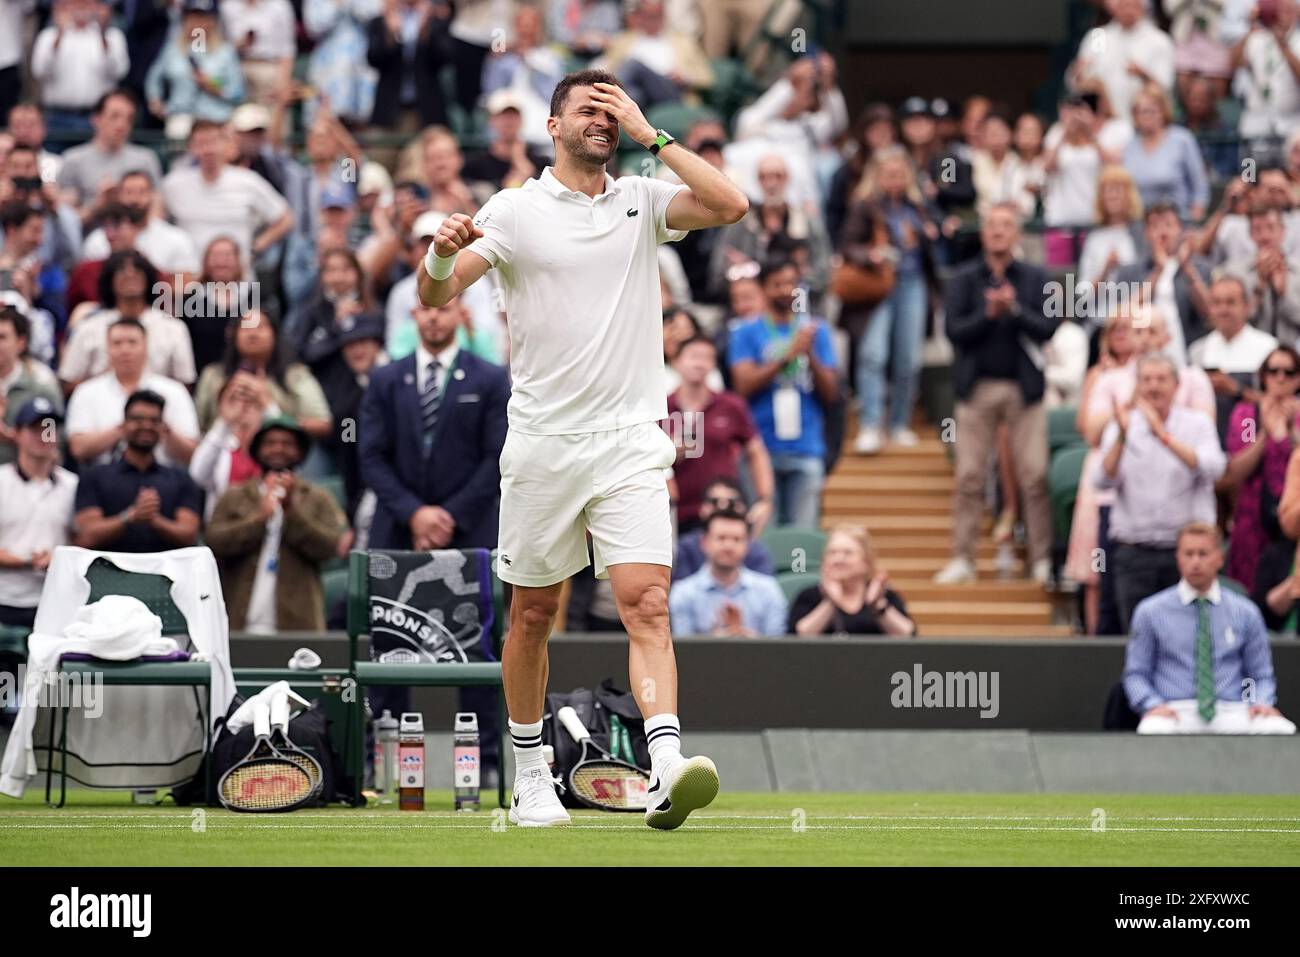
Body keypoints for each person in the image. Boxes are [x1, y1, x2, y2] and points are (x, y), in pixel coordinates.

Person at [416, 68, 748, 828]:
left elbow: (732, 204)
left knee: (648, 602)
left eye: (612, 108)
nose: (603, 120)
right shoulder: (515, 210)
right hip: (543, 444)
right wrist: (440, 253)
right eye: (588, 110)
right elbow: (437, 295)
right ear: (554, 128)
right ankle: (530, 771)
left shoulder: (642, 197)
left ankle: (664, 760)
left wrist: (650, 131)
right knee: (534, 613)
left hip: (631, 438)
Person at [934, 203, 1057, 587]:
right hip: (977, 388)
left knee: (1035, 475)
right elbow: (954, 331)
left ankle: (1040, 562)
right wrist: (988, 314)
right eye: (992, 226)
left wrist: (1014, 310)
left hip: (1025, 389)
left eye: (1006, 225)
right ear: (983, 233)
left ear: (1018, 233)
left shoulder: (1036, 277)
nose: (999, 232)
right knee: (969, 475)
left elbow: (1048, 327)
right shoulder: (964, 278)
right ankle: (962, 559)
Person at [359, 295, 508, 550]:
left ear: (461, 313)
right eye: (426, 308)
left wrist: (448, 518)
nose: (434, 317)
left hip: (470, 532)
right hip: (397, 532)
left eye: (443, 308)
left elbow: (497, 456)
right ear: (414, 315)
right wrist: (414, 514)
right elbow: (370, 455)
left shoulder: (490, 378)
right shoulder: (384, 379)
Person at [1094, 353, 1228, 630]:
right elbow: (1101, 480)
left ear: (1176, 385)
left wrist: (1163, 436)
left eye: (1161, 379)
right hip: (1133, 553)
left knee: (1189, 638)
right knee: (1138, 639)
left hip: (1186, 555)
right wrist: (1121, 436)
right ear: (1137, 387)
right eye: (1147, 380)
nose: (1154, 387)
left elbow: (1215, 468)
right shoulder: (1122, 426)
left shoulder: (1196, 424)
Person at [1125, 522, 1296, 735]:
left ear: (1219, 558)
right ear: (1178, 558)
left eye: (1203, 554)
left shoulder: (1245, 612)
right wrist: (1152, 704)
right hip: (1174, 709)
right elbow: (1136, 674)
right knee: (1153, 729)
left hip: (1234, 708)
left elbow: (1260, 674)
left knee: (1280, 729)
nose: (1195, 562)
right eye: (1189, 554)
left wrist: (1259, 702)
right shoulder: (1150, 612)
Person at [207, 417, 348, 633]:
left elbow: (330, 547)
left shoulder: (318, 497)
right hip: (238, 617)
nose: (278, 449)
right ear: (257, 450)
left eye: (287, 444)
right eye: (270, 443)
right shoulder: (235, 495)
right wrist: (259, 519)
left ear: (300, 452)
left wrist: (291, 510)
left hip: (299, 622)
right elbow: (214, 541)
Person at [729, 258, 838, 527]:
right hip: (761, 449)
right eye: (777, 284)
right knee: (766, 538)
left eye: (791, 283)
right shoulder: (745, 331)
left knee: (802, 534)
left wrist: (809, 352)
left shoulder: (816, 330)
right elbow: (743, 386)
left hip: (807, 447)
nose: (785, 290)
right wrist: (787, 356)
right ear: (763, 289)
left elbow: (832, 392)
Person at [844, 146, 933, 454]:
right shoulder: (864, 205)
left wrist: (928, 235)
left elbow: (933, 249)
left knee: (908, 358)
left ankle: (898, 423)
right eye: (888, 174)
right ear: (877, 176)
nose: (894, 179)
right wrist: (872, 254)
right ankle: (870, 424)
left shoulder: (918, 206)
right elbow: (847, 246)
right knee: (873, 354)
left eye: (899, 173)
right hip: (877, 286)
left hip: (913, 284)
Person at [666, 334, 774, 533]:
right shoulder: (662, 407)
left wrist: (764, 499)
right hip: (673, 513)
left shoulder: (731, 405)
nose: (699, 363)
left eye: (707, 357)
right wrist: (667, 453)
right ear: (677, 362)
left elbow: (756, 451)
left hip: (723, 512)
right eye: (693, 356)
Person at [72, 388, 203, 553]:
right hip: (108, 573)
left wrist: (155, 520)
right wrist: (130, 517)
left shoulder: (181, 479)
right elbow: (87, 534)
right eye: (138, 419)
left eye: (154, 420)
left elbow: (189, 535)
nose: (146, 426)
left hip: (166, 574)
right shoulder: (95, 477)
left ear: (163, 428)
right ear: (123, 425)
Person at [65, 318, 199, 467]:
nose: (125, 350)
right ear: (108, 348)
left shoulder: (174, 391)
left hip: (164, 478)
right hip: (104, 479)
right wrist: (127, 428)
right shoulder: (86, 392)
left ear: (146, 346)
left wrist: (160, 429)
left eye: (132, 342)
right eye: (117, 343)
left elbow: (193, 453)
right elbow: (77, 448)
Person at [1222, 345, 1300, 601]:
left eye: (1289, 372)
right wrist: (1265, 434)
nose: (1280, 378)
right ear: (1263, 375)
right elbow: (1236, 469)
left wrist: (1289, 433)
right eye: (1273, 370)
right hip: (1253, 520)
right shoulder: (1248, 416)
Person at [58, 250, 197, 392]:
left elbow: (185, 384)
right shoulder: (88, 327)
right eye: (122, 271)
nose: (130, 275)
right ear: (110, 279)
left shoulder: (173, 328)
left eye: (137, 270)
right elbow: (68, 382)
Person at [161, 120, 294, 267]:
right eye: (201, 143)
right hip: (192, 280)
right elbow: (154, 221)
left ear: (225, 144)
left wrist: (255, 249)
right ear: (191, 148)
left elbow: (285, 219)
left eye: (213, 142)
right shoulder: (173, 184)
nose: (208, 149)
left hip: (238, 282)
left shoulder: (248, 181)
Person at [193, 310, 332, 443]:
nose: (253, 334)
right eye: (246, 328)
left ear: (275, 334)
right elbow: (197, 427)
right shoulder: (213, 375)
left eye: (260, 327)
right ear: (233, 335)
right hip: (221, 452)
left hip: (281, 453)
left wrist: (268, 405)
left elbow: (322, 423)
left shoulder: (295, 374)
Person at [0, 397, 77, 628]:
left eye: (50, 428)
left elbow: (82, 540)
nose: (44, 435)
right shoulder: (1, 481)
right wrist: (25, 560)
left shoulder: (73, 485)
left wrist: (58, 559)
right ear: (17, 433)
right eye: (35, 428)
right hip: (6, 600)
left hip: (57, 600)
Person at [668, 509, 787, 638]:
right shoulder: (683, 593)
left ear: (748, 545)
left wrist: (748, 639)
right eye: (721, 538)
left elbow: (778, 647)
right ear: (704, 542)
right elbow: (682, 649)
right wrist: (717, 641)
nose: (728, 546)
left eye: (737, 539)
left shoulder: (769, 590)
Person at [1189, 274, 1279, 438]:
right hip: (1212, 433)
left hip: (1251, 431)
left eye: (1230, 302)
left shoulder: (1268, 347)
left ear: (1246, 306)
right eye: (1216, 303)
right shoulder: (1198, 350)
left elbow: (1278, 401)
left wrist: (1237, 390)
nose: (1223, 310)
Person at [56, 90, 163, 225]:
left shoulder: (146, 159)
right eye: (114, 117)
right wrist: (98, 205)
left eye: (128, 119)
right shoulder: (73, 160)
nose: (121, 125)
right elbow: (66, 221)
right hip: (91, 238)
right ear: (96, 119)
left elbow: (157, 207)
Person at [789, 525, 915, 637]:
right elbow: (799, 636)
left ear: (866, 562)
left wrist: (877, 605)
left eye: (847, 553)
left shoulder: (884, 595)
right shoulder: (809, 596)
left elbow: (907, 635)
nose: (838, 559)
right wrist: (830, 602)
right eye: (832, 553)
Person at [30, 0, 130, 139]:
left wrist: (103, 34)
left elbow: (120, 72)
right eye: (75, 3)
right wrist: (59, 35)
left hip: (96, 117)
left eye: (86, 4)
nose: (80, 9)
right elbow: (40, 72)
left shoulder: (113, 36)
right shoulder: (48, 36)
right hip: (57, 115)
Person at [79, 171, 201, 283]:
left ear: (153, 195)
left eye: (141, 192)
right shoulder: (99, 239)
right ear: (118, 196)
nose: (134, 199)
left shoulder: (176, 238)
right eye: (128, 192)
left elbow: (185, 285)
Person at [1068, 0, 1175, 123]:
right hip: (1103, 123)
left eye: (1132, 5)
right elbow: (1080, 78)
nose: (1128, 10)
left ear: (1142, 7)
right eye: (1123, 4)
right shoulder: (1100, 36)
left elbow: (1165, 87)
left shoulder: (1158, 40)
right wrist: (1078, 72)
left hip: (1143, 122)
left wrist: (1143, 75)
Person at [144, 0, 245, 125]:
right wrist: (155, 100)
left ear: (212, 21)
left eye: (202, 17)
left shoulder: (225, 52)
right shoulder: (173, 49)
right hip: (180, 116)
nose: (196, 23)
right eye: (191, 17)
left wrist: (214, 86)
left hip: (215, 118)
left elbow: (237, 92)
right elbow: (154, 77)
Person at [1121, 83, 1209, 221]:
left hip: (1179, 221)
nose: (1145, 116)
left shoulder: (1182, 139)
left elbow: (1200, 186)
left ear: (1162, 111)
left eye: (1150, 111)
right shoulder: (1129, 147)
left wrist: (1195, 219)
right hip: (1141, 225)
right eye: (1140, 112)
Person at [367, 0, 452, 131]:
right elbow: (374, 59)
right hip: (388, 109)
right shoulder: (380, 21)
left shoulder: (435, 21)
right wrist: (391, 35)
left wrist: (425, 31)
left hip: (426, 109)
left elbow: (443, 59)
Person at [672, 477, 775, 582]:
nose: (723, 507)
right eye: (714, 501)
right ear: (702, 508)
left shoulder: (756, 550)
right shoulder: (685, 548)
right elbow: (678, 592)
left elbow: (766, 590)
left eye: (731, 502)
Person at [0, 306, 62, 468]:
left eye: (2, 337)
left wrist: (12, 436)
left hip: (26, 481)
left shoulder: (43, 387)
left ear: (20, 342)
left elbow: (52, 444)